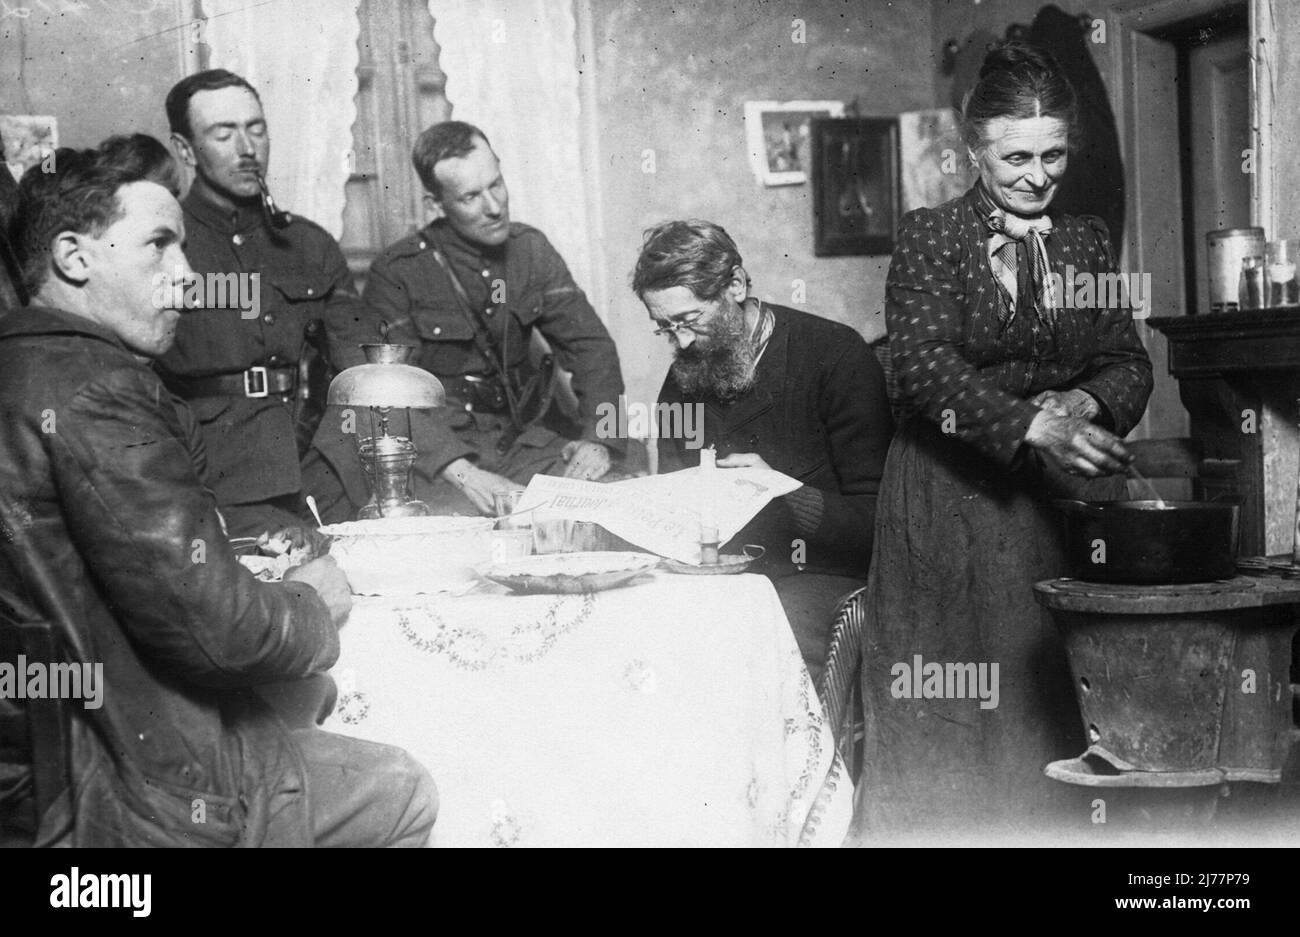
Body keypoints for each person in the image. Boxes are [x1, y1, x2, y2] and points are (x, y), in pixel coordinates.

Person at [0, 143, 436, 847]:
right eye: (158, 246)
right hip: (112, 788)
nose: (186, 274)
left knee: (309, 695)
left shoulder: (23, 366)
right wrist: (308, 603)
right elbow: (220, 634)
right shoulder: (101, 390)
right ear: (75, 258)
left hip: (38, 762)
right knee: (401, 783)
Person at [857, 42, 1153, 839]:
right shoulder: (933, 238)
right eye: (1015, 155)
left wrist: (1085, 400)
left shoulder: (1086, 242)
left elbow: (1128, 361)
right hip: (951, 505)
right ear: (974, 150)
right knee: (955, 710)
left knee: (1054, 705)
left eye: (1054, 154)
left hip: (1056, 512)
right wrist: (1031, 423)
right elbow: (918, 369)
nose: (1037, 174)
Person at [304, 121, 625, 519]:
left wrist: (600, 438)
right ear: (436, 204)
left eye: (497, 184)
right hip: (441, 455)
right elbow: (384, 397)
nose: (494, 206)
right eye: (471, 197)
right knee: (465, 536)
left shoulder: (530, 250)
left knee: (615, 500)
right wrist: (465, 476)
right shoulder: (399, 272)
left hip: (520, 443)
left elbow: (590, 347)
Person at [633, 220, 893, 682]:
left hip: (818, 577)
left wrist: (785, 493)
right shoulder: (681, 380)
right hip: (720, 582)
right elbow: (672, 509)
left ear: (735, 285)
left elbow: (882, 526)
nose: (683, 343)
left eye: (691, 321)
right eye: (665, 329)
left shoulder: (835, 356)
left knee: (740, 644)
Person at [155, 69, 379, 537]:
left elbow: (362, 367)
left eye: (256, 128)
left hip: (322, 469)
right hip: (217, 479)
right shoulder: (163, 246)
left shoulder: (308, 244)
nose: (247, 148)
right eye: (224, 133)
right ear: (185, 150)